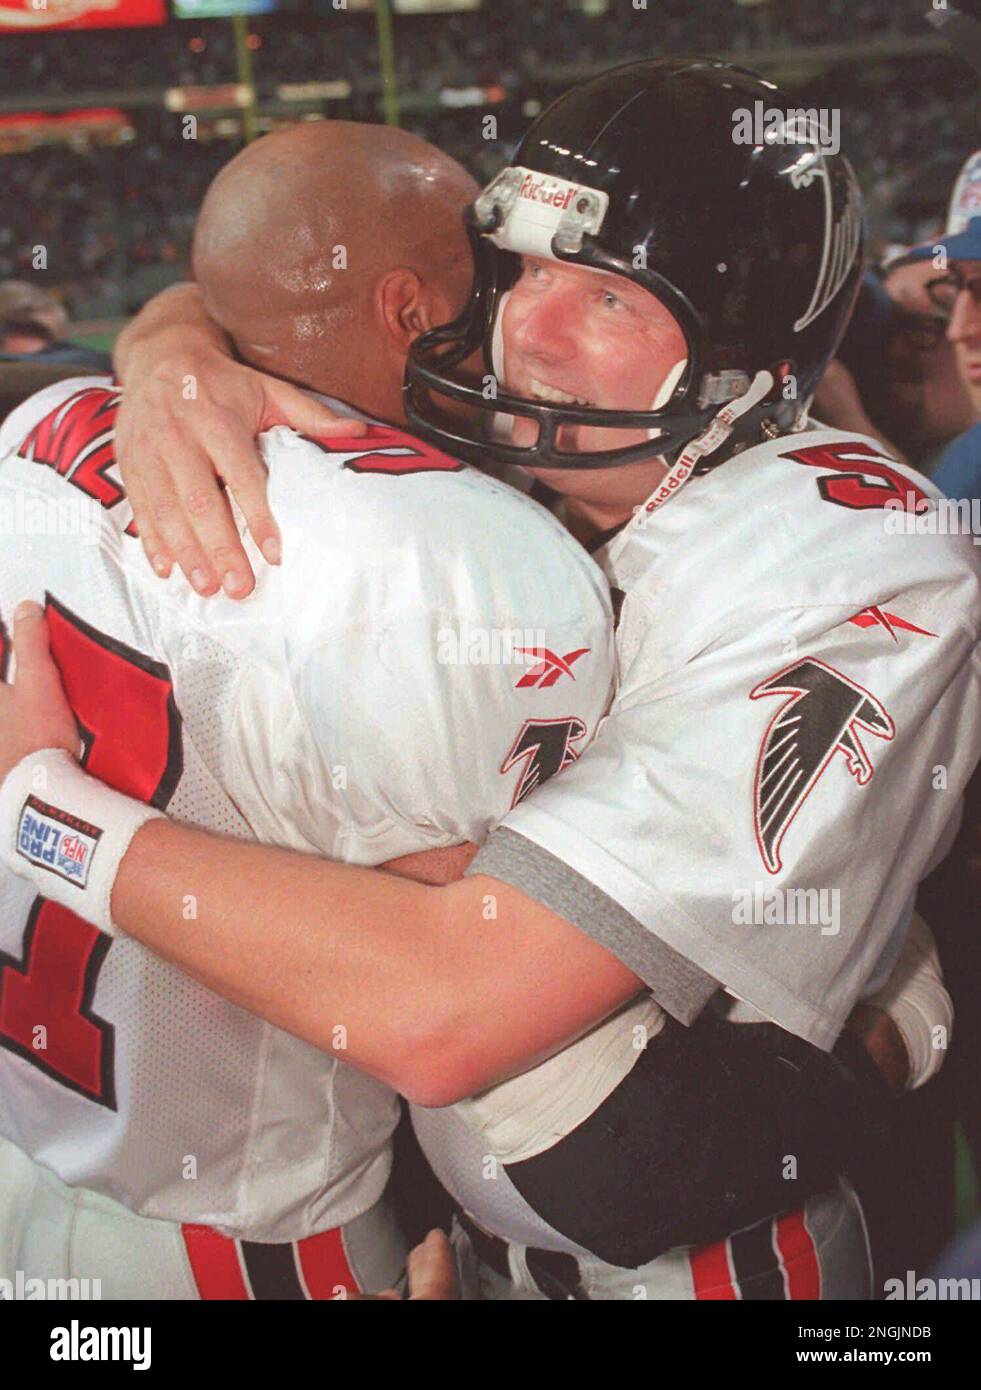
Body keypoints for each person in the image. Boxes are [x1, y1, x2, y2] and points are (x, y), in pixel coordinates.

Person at [1, 59, 972, 1300]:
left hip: (696, 1267)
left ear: (745, 347)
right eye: (520, 268)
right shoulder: (525, 448)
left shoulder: (846, 552)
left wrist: (43, 806)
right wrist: (175, 351)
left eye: (610, 297)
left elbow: (512, 1067)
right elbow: (290, 273)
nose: (526, 332)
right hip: (469, 1243)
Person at [0, 120, 617, 1300]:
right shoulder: (443, 550)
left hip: (33, 1168)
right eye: (485, 273)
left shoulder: (41, 430)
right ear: (403, 306)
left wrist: (169, 334)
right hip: (253, 1233)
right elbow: (470, 994)